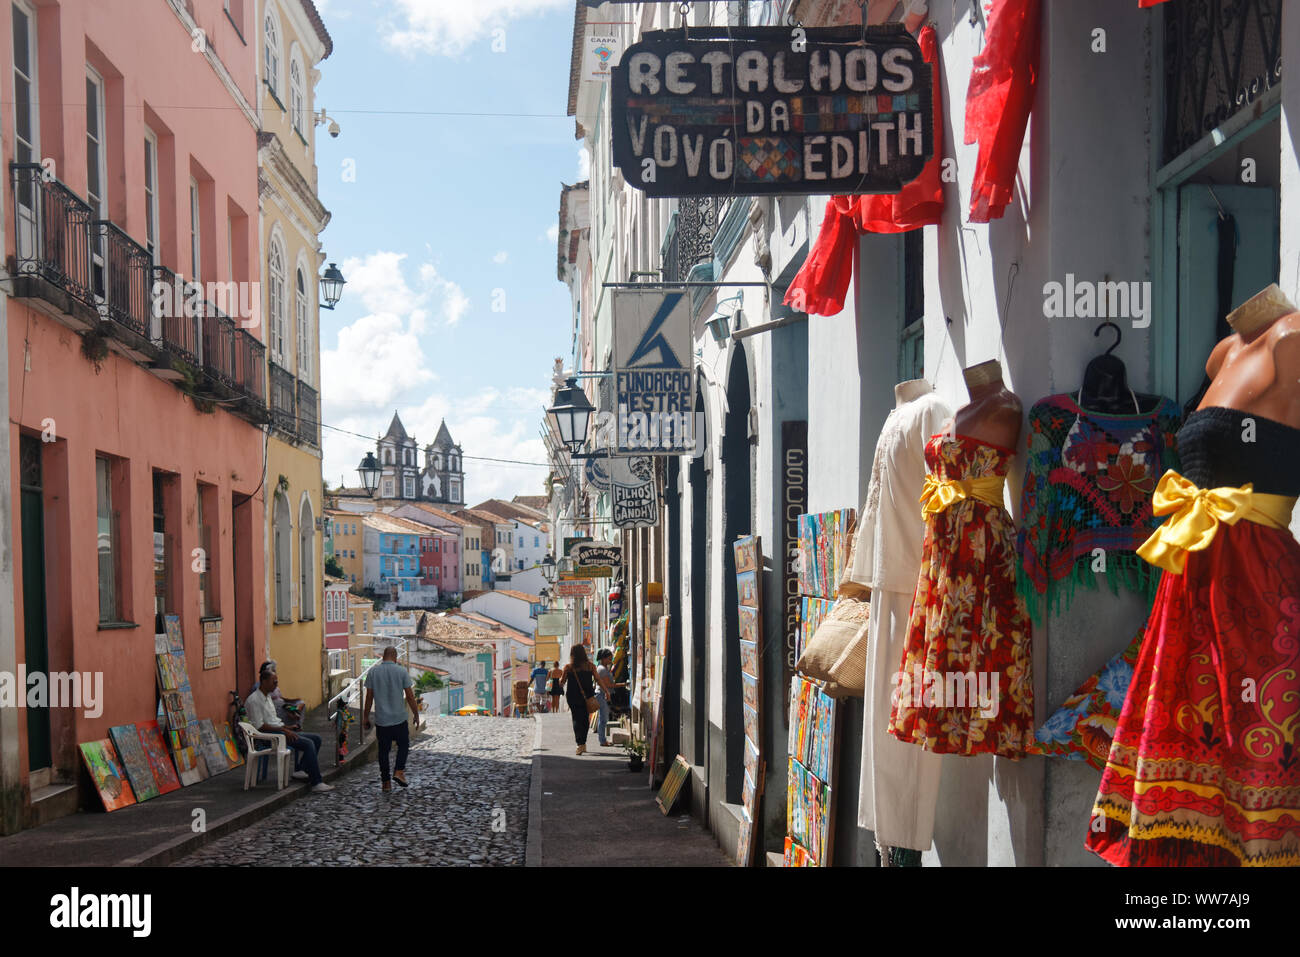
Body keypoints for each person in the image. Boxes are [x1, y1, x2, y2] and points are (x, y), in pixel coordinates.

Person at [246, 664, 332, 792]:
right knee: (308, 744)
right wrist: (284, 731)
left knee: (316, 739)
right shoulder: (254, 700)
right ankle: (316, 782)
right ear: (263, 682)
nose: (276, 684)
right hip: (271, 737)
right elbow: (260, 726)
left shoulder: (268, 697)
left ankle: (301, 770)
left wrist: (289, 727)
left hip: (280, 732)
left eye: (277, 682)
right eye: (273, 681)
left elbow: (273, 721)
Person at [362, 647, 419, 793]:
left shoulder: (373, 672)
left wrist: (365, 716)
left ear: (383, 657)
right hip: (399, 718)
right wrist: (416, 714)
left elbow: (369, 697)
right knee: (404, 745)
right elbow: (410, 696)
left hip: (382, 720)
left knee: (383, 752)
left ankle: (386, 783)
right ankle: (399, 771)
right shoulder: (401, 671)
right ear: (395, 658)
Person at [562, 645, 598, 754]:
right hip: (587, 696)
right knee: (585, 719)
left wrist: (560, 678)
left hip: (573, 696)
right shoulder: (590, 666)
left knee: (576, 719)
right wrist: (606, 691)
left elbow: (561, 682)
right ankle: (583, 743)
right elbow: (598, 679)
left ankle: (580, 744)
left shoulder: (568, 667)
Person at [593, 648, 627, 747]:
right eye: (609, 659)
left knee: (603, 718)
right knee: (603, 719)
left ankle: (602, 740)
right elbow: (609, 685)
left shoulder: (602, 668)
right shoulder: (602, 669)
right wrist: (623, 684)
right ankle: (603, 741)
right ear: (603, 659)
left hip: (602, 695)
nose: (610, 661)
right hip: (602, 695)